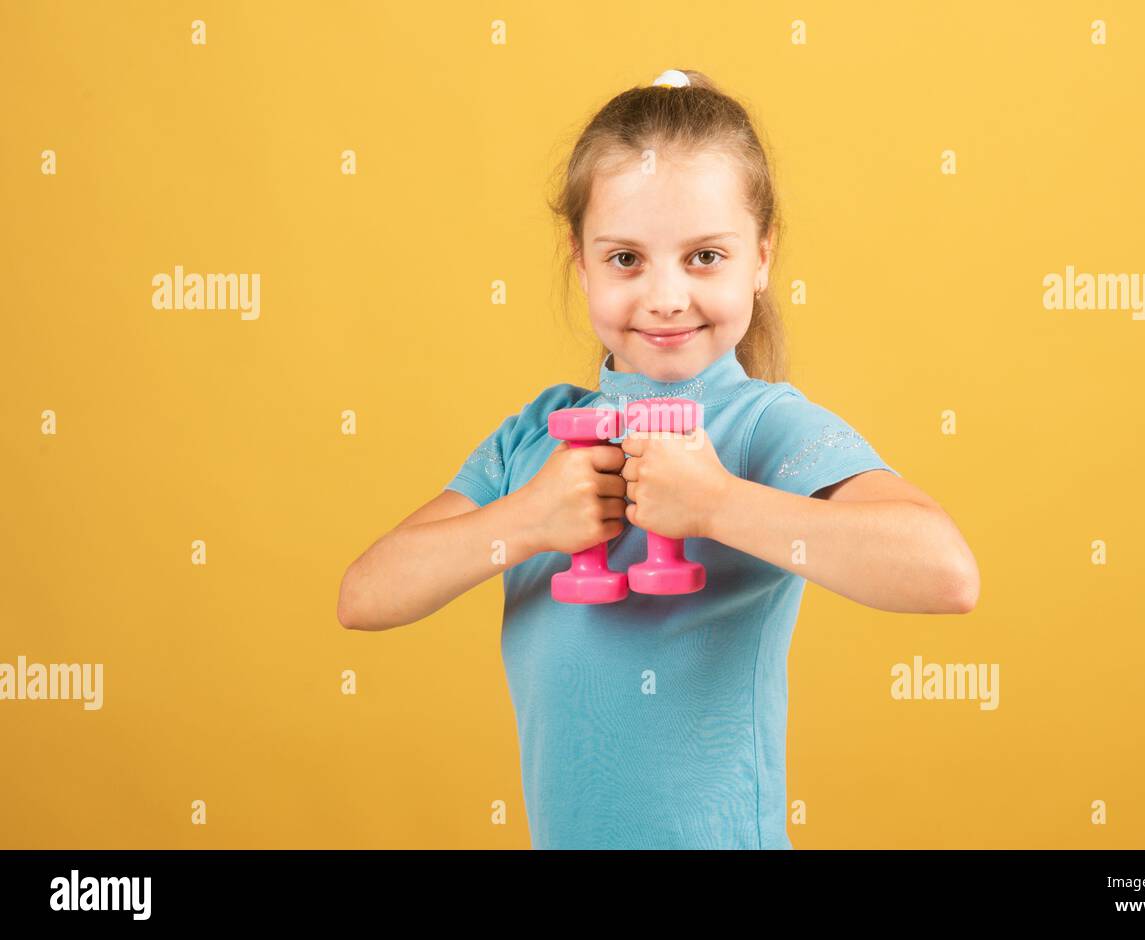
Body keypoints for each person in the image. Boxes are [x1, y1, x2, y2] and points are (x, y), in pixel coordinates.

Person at [337, 68, 980, 849]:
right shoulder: (535, 437)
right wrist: (527, 520)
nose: (666, 296)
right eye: (626, 260)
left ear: (762, 258)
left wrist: (716, 504)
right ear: (580, 263)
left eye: (705, 256)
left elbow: (945, 572)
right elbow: (365, 596)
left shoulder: (761, 428)